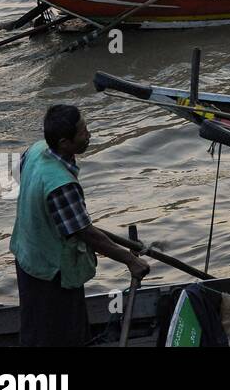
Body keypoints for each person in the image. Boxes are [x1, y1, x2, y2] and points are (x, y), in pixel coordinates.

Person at [11, 105, 150, 346]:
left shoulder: (36, 150)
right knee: (64, 333)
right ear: (64, 142)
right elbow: (86, 233)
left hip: (28, 255)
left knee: (35, 325)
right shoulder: (61, 185)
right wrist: (131, 260)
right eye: (83, 131)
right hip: (51, 270)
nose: (89, 134)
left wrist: (59, 218)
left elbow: (26, 180)